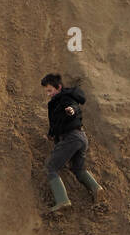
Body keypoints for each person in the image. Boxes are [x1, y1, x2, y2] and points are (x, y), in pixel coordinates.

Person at [40, 72, 103, 216]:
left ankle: (62, 201)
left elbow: (73, 108)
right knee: (78, 169)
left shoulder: (65, 98)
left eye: (50, 90)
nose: (48, 94)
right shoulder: (61, 99)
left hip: (71, 138)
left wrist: (71, 111)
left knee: (51, 167)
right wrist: (51, 135)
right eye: (46, 91)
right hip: (81, 137)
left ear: (58, 87)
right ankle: (97, 189)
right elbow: (57, 122)